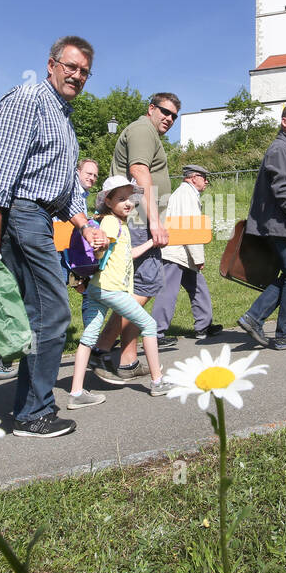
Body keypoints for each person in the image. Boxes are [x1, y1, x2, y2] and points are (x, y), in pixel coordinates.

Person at [0, 36, 105, 438]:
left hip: (39, 216)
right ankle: (33, 413)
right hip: (20, 217)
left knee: (8, 315)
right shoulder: (30, 98)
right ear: (51, 64)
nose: (77, 76)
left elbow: (61, 188)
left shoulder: (63, 118)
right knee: (51, 313)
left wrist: (84, 224)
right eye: (71, 66)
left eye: (84, 71)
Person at [91, 93, 179, 383]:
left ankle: (127, 361)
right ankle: (102, 348)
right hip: (141, 220)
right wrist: (155, 221)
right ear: (151, 108)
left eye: (174, 116)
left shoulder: (147, 132)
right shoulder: (143, 130)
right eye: (164, 111)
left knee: (137, 289)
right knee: (144, 288)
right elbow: (139, 171)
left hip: (140, 219)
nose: (169, 118)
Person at [66, 176, 172, 408]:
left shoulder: (119, 224)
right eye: (121, 198)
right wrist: (99, 247)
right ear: (108, 201)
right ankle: (158, 382)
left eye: (130, 198)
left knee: (88, 338)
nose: (128, 203)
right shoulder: (111, 223)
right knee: (149, 326)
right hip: (112, 289)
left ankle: (76, 393)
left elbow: (128, 254)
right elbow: (101, 246)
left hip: (97, 289)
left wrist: (152, 244)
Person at [237, 102, 286, 350]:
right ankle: (284, 332)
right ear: (284, 121)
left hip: (282, 223)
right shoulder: (280, 149)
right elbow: (282, 189)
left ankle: (255, 319)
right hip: (281, 224)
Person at [151, 164, 221, 340]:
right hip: (176, 252)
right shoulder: (186, 195)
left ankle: (204, 326)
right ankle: (156, 333)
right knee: (168, 292)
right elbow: (191, 228)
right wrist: (198, 258)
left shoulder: (185, 193)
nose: (206, 181)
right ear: (193, 177)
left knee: (199, 287)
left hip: (180, 251)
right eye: (204, 177)